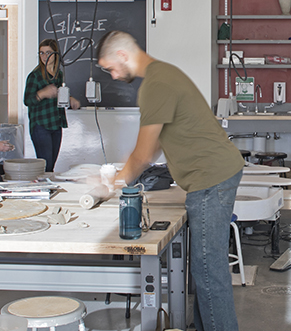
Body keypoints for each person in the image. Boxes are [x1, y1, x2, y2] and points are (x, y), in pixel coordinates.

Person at [98, 30, 245, 331]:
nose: (112, 76)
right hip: (212, 176)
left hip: (210, 179)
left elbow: (144, 153)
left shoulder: (156, 84)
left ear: (122, 56)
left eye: (110, 67)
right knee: (205, 274)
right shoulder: (162, 75)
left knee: (209, 274)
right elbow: (157, 144)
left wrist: (109, 184)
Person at [23, 38, 79, 172]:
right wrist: (42, 93)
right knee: (45, 165)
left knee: (51, 164)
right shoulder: (35, 76)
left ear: (56, 54)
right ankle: (43, 189)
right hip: (41, 124)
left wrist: (69, 98)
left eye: (48, 53)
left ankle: (49, 189)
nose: (44, 56)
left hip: (56, 122)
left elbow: (59, 94)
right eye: (41, 53)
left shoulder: (58, 74)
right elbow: (27, 100)